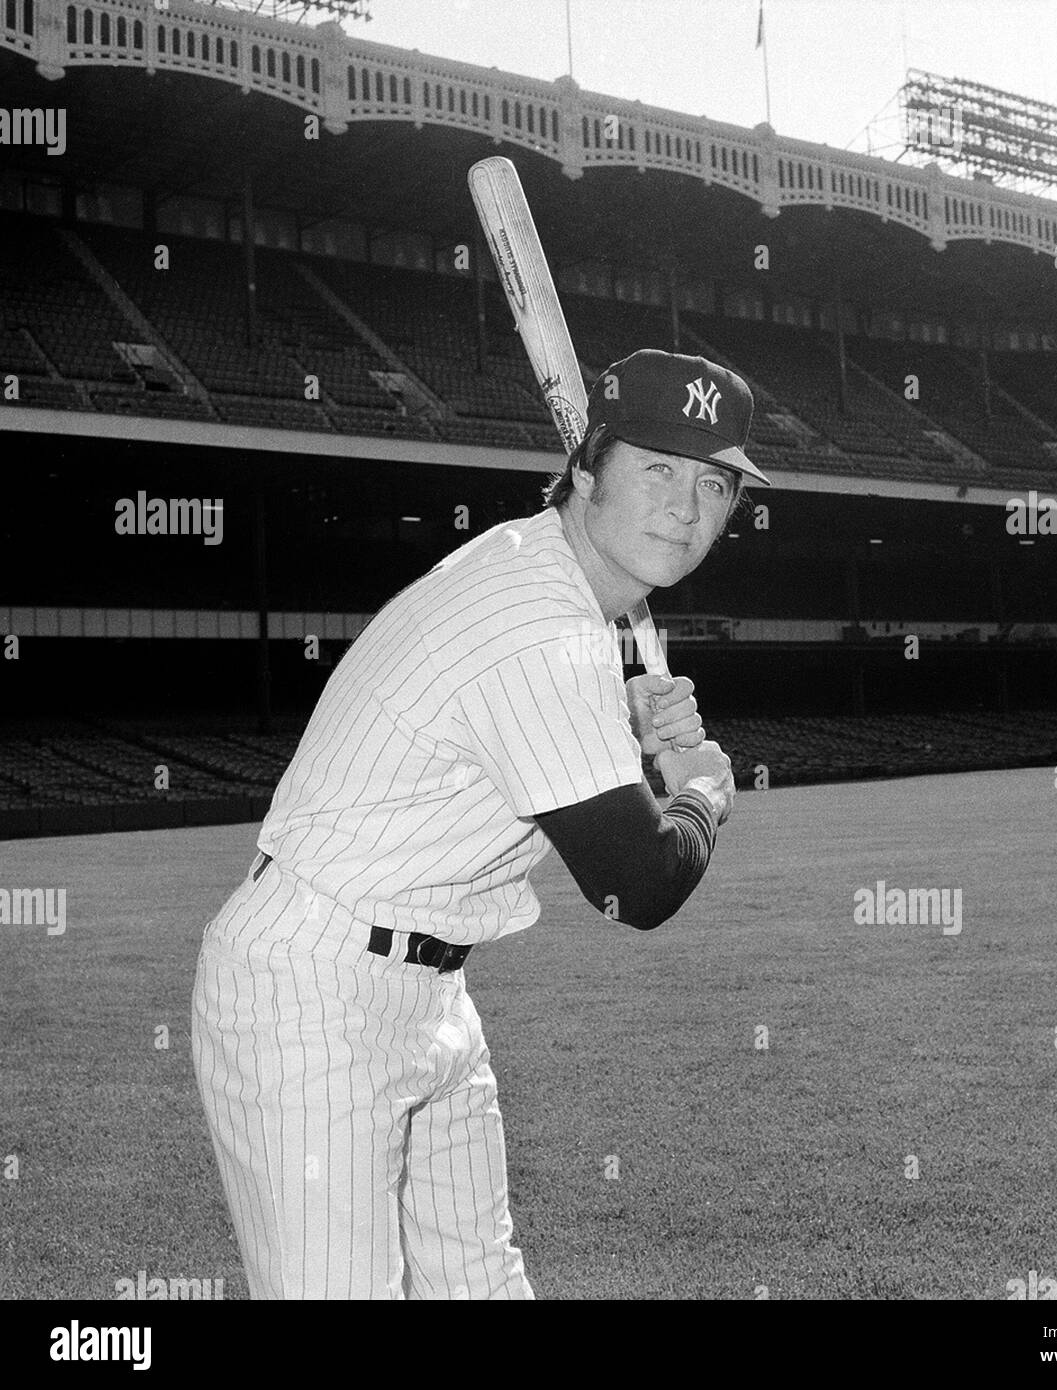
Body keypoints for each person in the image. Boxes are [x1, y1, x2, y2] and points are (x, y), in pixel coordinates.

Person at [190, 349, 771, 1300]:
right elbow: (641, 884)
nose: (685, 505)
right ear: (586, 470)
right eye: (656, 469)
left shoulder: (542, 575)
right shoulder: (537, 618)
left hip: (428, 988)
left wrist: (625, 724)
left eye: (713, 482)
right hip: (313, 993)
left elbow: (493, 740)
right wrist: (702, 785)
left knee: (481, 1284)